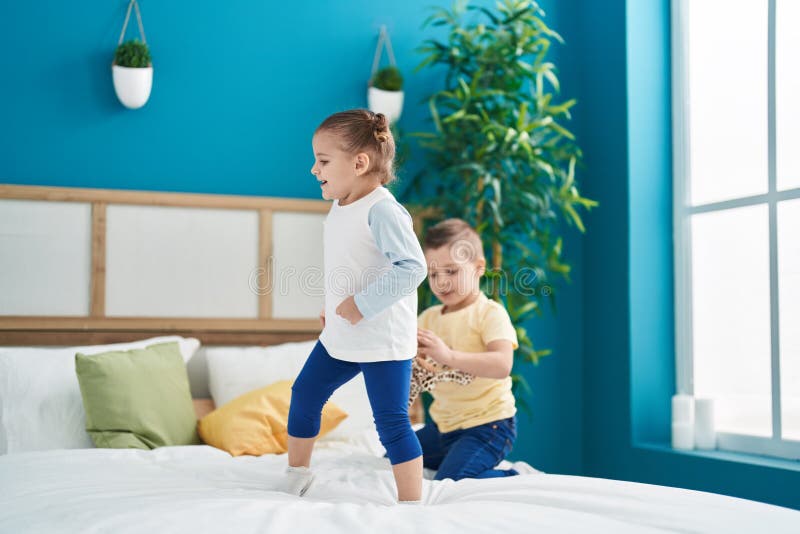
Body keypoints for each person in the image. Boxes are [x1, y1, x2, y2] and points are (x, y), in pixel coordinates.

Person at [282, 109, 427, 504]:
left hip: (382, 338)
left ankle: (413, 506)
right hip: (342, 332)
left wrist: (362, 304)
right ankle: (296, 475)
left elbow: (412, 267)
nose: (314, 169)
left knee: (392, 422)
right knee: (305, 393)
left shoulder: (382, 209)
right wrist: (333, 306)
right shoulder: (342, 203)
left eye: (323, 161)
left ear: (359, 163)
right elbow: (352, 264)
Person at [415, 218, 520, 481]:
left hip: (488, 425)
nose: (441, 282)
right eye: (433, 273)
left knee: (449, 483)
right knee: (397, 459)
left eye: (451, 271)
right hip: (444, 426)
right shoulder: (428, 317)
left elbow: (502, 365)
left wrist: (448, 356)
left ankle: (510, 477)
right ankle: (456, 457)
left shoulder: (489, 314)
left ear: (478, 268)